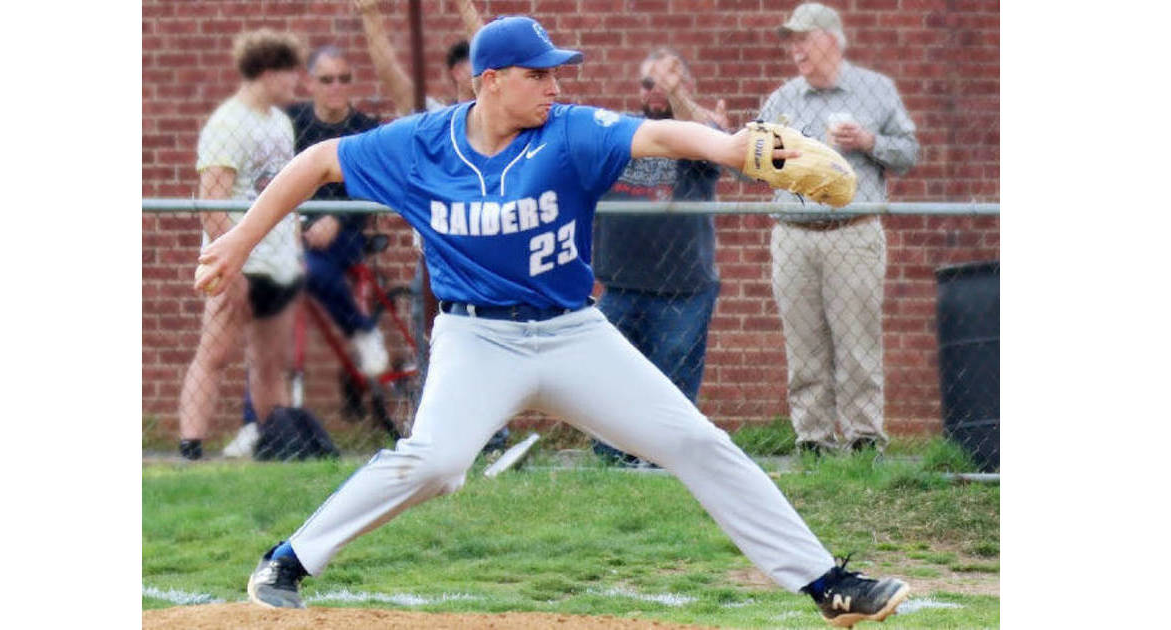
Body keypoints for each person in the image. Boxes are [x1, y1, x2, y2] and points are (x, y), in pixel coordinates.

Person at [200, 16, 910, 626]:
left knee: (694, 440)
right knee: (438, 462)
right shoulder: (421, 145)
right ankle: (286, 562)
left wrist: (730, 149)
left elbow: (660, 138)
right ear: (491, 80)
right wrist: (236, 239)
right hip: (477, 337)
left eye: (556, 73)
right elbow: (319, 161)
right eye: (538, 74)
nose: (554, 85)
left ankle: (827, 584)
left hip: (573, 332)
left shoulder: (569, 134)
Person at [758, 2, 919, 456]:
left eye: (803, 39)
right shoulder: (783, 99)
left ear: (830, 39)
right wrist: (747, 147)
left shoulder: (876, 90)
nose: (796, 51)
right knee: (804, 344)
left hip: (854, 231)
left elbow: (908, 153)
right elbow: (754, 162)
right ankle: (813, 440)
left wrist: (869, 142)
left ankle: (865, 439)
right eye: (791, 42)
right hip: (793, 234)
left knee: (857, 343)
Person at [356, 0, 514, 453]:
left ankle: (493, 434)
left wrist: (464, 6)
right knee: (439, 349)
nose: (475, 79)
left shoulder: (509, 123)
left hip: (497, 260)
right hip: (440, 262)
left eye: (482, 71)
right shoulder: (436, 125)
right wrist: (370, 16)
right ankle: (439, 439)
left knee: (499, 347)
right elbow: (393, 80)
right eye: (465, 72)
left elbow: (498, 50)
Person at [224, 45, 390, 458]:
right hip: (290, 234)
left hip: (346, 236)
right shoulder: (292, 123)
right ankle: (255, 422)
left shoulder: (363, 127)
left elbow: (372, 186)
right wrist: (295, 223)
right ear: (311, 83)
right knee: (268, 314)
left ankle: (361, 328)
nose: (336, 88)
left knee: (312, 269)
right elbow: (272, 179)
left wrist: (338, 217)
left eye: (344, 79)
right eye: (327, 79)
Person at [589, 48, 728, 467]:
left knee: (673, 384)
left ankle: (669, 462)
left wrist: (678, 96)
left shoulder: (699, 133)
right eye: (648, 83)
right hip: (620, 286)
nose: (656, 91)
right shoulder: (621, 134)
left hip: (683, 291)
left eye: (667, 83)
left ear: (686, 88)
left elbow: (720, 144)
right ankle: (614, 463)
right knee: (614, 381)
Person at [176, 29, 306, 461]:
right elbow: (213, 202)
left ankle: (272, 445)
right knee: (215, 353)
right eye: (290, 75)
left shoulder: (280, 123)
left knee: (270, 363)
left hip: (279, 263)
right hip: (240, 262)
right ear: (268, 73)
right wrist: (230, 267)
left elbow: (287, 194)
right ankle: (190, 447)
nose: (295, 85)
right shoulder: (228, 124)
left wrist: (295, 254)